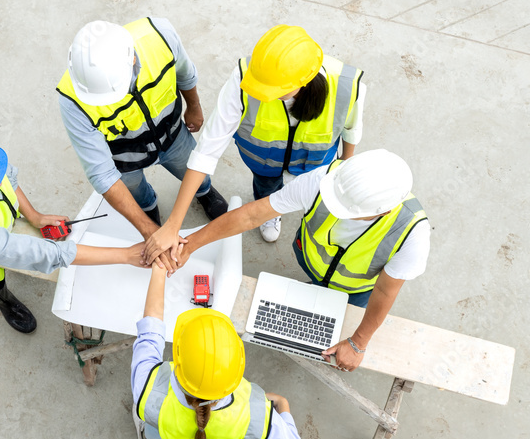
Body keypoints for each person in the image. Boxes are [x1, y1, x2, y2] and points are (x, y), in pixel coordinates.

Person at [166, 150, 429, 373]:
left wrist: (358, 342)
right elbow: (251, 216)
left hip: (356, 288)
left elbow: (385, 289)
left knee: (336, 326)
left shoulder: (411, 234)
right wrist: (192, 244)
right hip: (311, 261)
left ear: (382, 211)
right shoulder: (324, 180)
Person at [144, 24, 366, 266]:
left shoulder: (347, 86)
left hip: (315, 164)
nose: (265, 94)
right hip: (264, 163)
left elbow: (351, 128)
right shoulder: (245, 78)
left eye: (276, 90)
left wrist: (344, 164)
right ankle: (272, 214)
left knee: (314, 201)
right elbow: (206, 152)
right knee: (267, 190)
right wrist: (173, 224)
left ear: (304, 80)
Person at [0, 125, 145, 334]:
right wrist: (127, 254)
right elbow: (45, 254)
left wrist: (33, 216)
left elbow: (7, 176)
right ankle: (4, 300)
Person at [56, 18, 229, 253]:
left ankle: (204, 191)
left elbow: (185, 74)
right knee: (135, 192)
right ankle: (149, 207)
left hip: (173, 135)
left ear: (133, 60)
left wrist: (194, 107)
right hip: (123, 157)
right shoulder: (72, 98)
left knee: (191, 167)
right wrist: (149, 230)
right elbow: (103, 174)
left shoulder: (160, 37)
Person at [130, 265, 301, 439]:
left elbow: (149, 334)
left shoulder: (149, 390)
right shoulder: (256, 412)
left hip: (172, 436)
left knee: (153, 424)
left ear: (178, 356)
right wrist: (282, 404)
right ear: (237, 366)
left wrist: (158, 269)